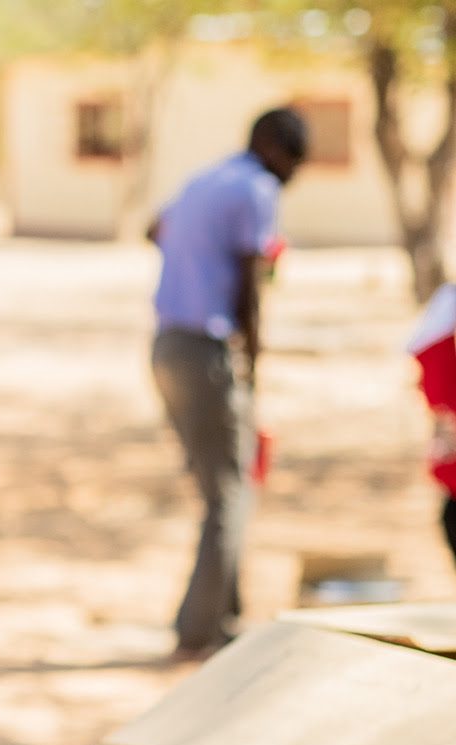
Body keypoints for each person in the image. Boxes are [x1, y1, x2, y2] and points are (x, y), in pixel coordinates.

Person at [149, 108, 308, 657]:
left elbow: (155, 228)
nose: (293, 174)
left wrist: (194, 266)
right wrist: (255, 357)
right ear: (270, 145)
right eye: (293, 159)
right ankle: (199, 630)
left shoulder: (205, 178)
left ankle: (226, 615)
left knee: (220, 485)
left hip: (167, 345)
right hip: (208, 351)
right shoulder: (256, 188)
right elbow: (249, 284)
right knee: (231, 491)